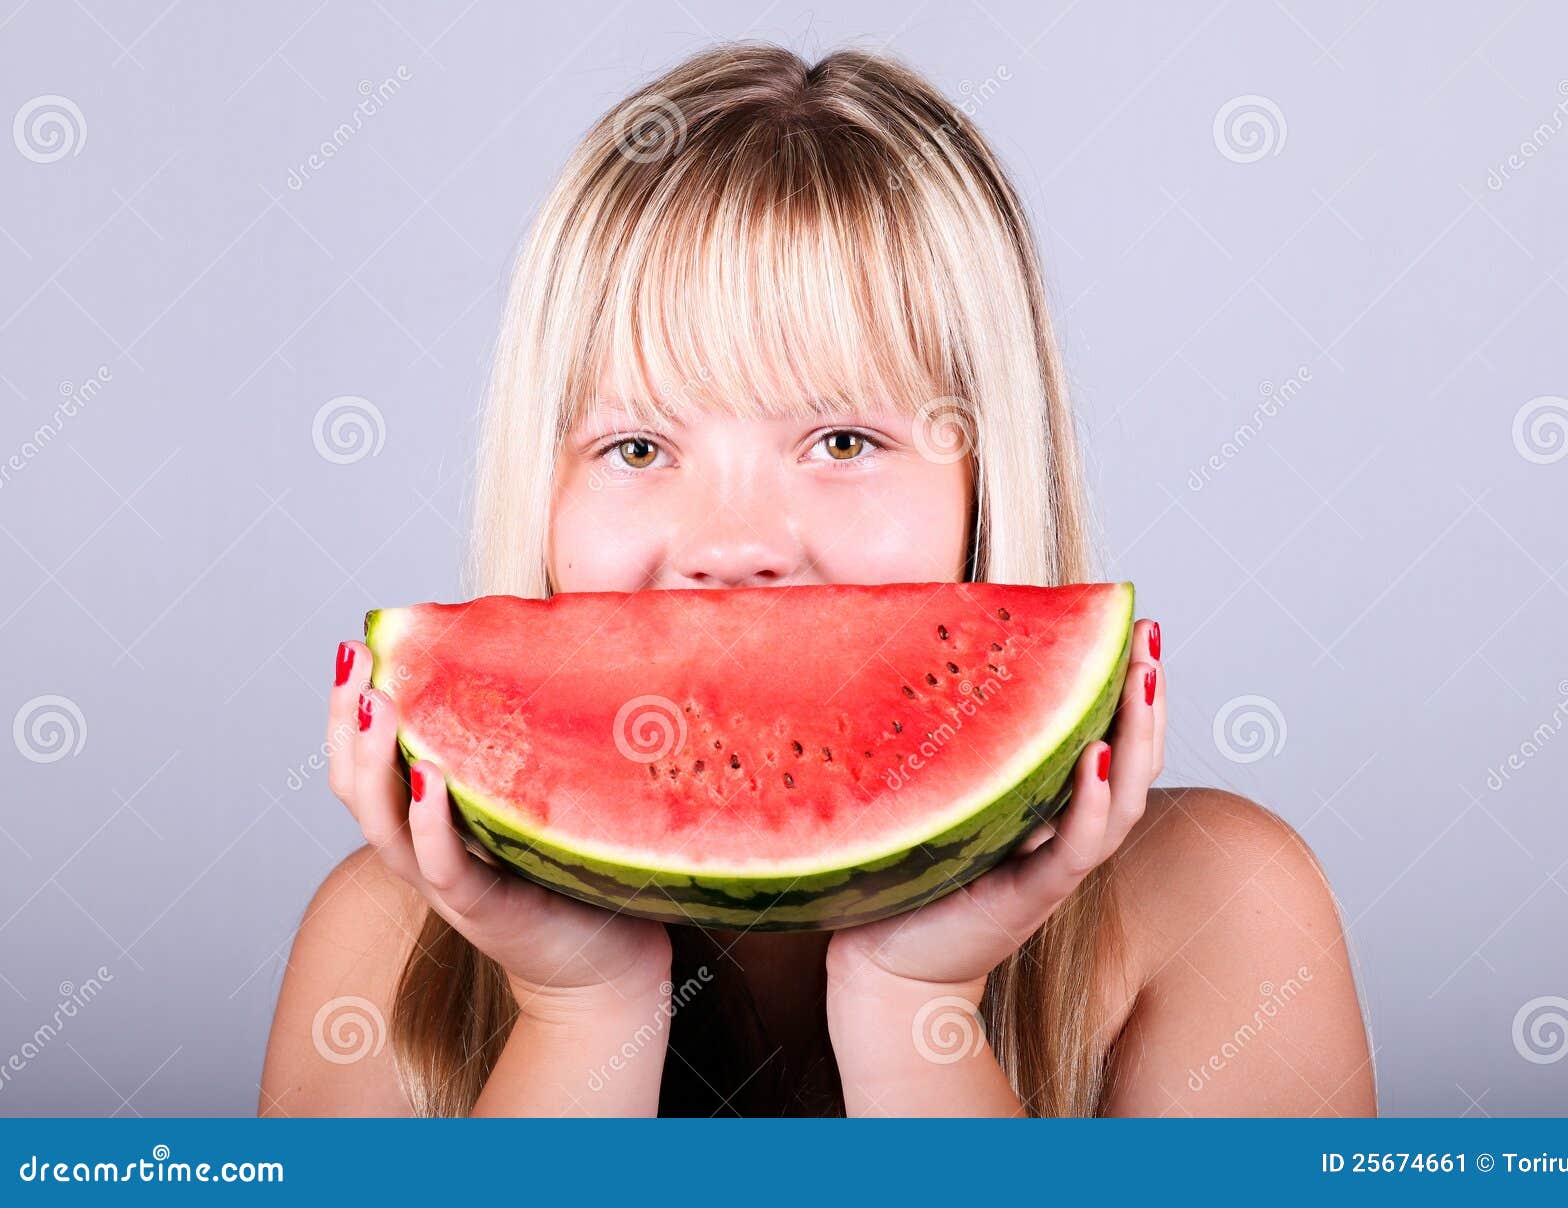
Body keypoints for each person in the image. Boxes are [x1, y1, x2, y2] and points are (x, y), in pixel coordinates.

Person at [260, 42, 1375, 1117]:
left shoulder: (1218, 905)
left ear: (988, 481)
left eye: (843, 440)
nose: (735, 543)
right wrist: (579, 1006)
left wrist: (915, 1008)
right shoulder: (377, 943)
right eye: (637, 448)